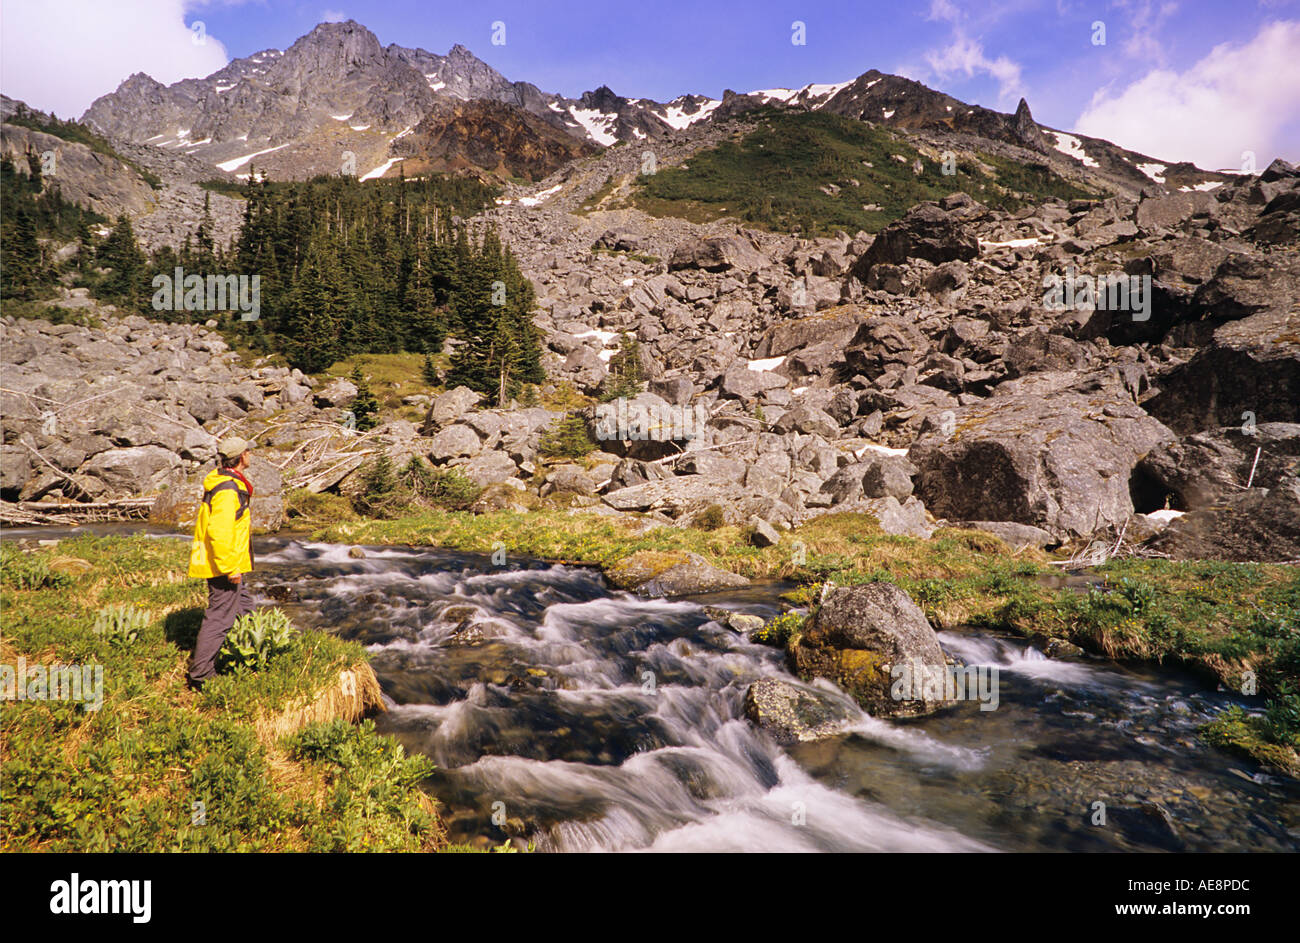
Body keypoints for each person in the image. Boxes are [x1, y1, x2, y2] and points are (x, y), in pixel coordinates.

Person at [187, 436, 257, 690]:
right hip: (224, 565)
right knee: (219, 619)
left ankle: (251, 651)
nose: (250, 455)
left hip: (227, 561)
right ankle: (201, 675)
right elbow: (219, 532)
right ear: (241, 457)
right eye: (248, 451)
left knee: (246, 606)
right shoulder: (228, 489)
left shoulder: (224, 481)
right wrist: (230, 568)